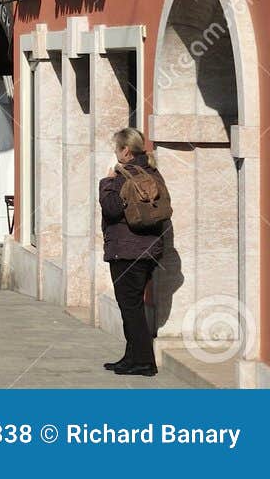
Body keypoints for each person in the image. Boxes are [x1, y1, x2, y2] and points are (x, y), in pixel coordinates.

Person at [99, 127, 168, 376]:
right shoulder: (151, 171)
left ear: (125, 150)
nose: (115, 152)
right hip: (149, 251)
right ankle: (131, 357)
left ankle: (144, 362)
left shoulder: (122, 176)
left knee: (130, 307)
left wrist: (107, 181)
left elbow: (111, 209)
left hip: (126, 251)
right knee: (133, 304)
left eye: (117, 148)